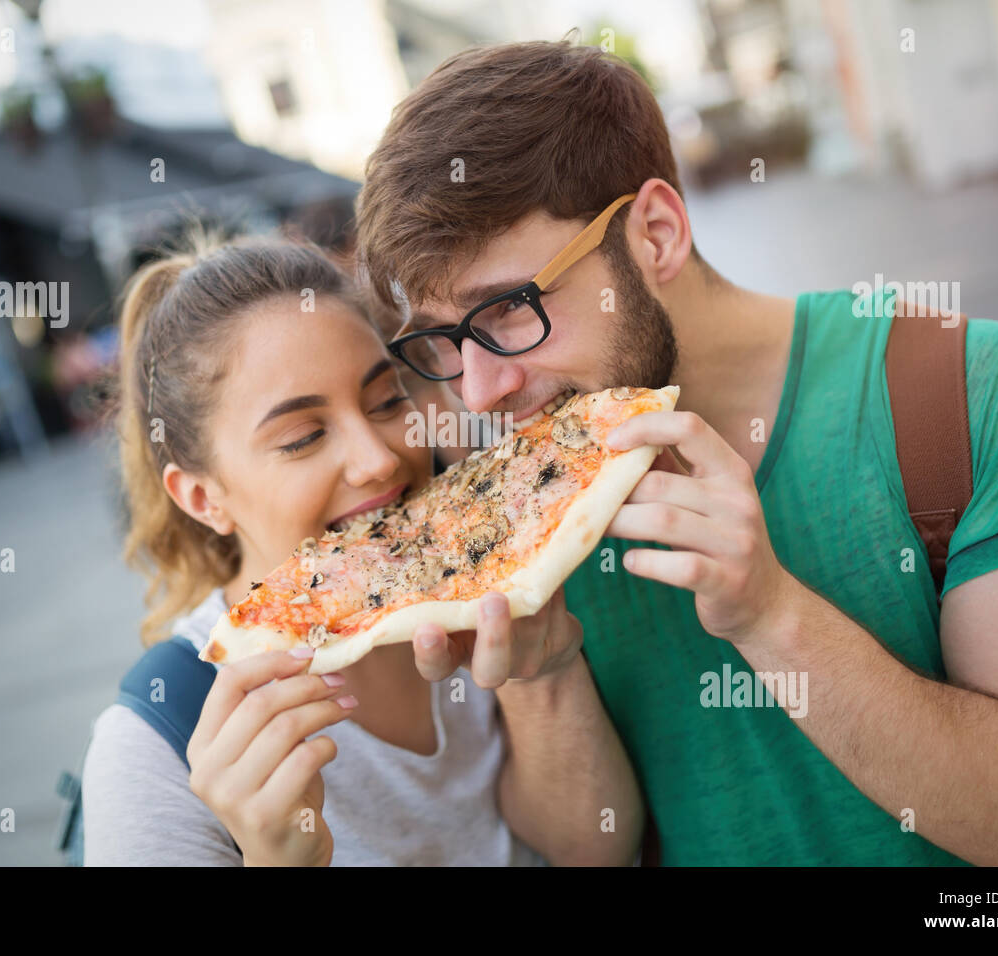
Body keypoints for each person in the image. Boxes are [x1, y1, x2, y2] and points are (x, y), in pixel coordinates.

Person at [353, 40, 998, 865]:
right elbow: (585, 851)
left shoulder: (968, 388)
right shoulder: (508, 504)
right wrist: (543, 674)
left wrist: (772, 615)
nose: (479, 393)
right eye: (445, 340)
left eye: (505, 311)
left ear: (657, 233)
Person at [80, 233, 645, 865]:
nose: (379, 460)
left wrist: (544, 675)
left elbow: (594, 851)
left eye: (385, 401)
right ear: (202, 497)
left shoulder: (486, 577)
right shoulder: (152, 751)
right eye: (302, 437)